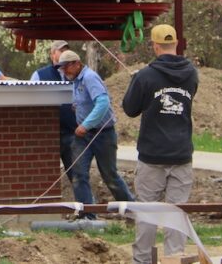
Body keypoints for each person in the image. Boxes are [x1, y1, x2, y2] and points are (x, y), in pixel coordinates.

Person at [122, 24, 199, 264]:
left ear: (155, 46)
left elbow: (130, 109)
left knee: (147, 213)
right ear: (176, 44)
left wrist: (135, 83)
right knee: (176, 215)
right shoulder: (192, 74)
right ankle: (174, 259)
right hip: (181, 155)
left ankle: (142, 261)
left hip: (152, 156)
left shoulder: (145, 76)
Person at [57, 49, 134, 210]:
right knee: (78, 174)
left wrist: (86, 125)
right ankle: (87, 213)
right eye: (61, 68)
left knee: (109, 175)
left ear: (77, 64)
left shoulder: (89, 77)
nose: (63, 71)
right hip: (83, 137)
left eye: (66, 66)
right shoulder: (74, 81)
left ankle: (132, 209)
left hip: (102, 134)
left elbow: (103, 103)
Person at [31, 40, 78, 194]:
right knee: (46, 176)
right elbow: (31, 103)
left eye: (66, 50)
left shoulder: (77, 74)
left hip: (72, 133)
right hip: (48, 135)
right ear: (52, 54)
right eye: (60, 51)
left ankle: (88, 207)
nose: (64, 53)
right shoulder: (39, 75)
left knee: (78, 176)